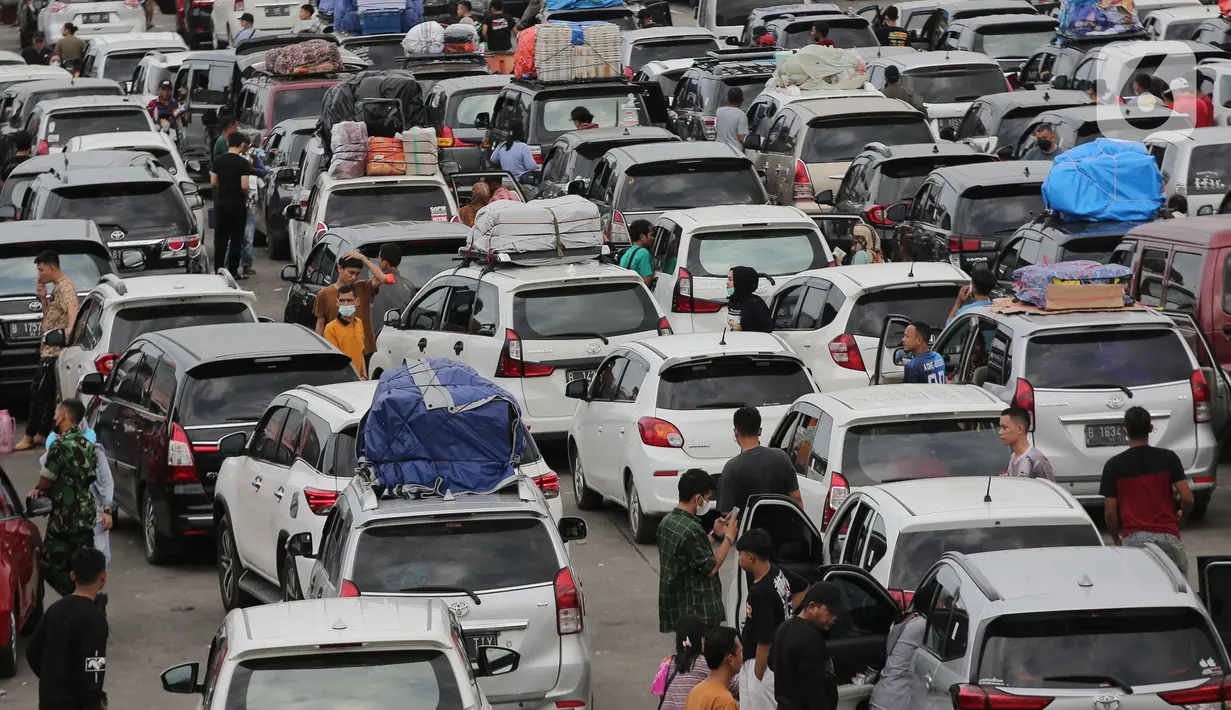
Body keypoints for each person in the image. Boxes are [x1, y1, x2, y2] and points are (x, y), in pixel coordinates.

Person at [1100, 406, 1194, 576]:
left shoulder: (1114, 465)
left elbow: (1109, 513)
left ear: (1125, 431)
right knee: (1177, 591)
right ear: (1150, 429)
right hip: (1168, 537)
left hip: (1134, 541)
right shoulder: (1169, 458)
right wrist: (1183, 516)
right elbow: (1187, 498)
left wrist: (1116, 539)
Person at [28, 399, 97, 597]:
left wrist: (38, 491)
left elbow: (45, 481)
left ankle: (75, 598)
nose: (53, 417)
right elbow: (90, 477)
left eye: (56, 413)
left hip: (64, 519)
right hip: (85, 516)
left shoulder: (59, 446)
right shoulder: (88, 445)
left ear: (64, 416)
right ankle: (89, 600)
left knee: (48, 564)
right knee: (83, 567)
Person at [26, 548, 109, 710]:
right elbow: (93, 670)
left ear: (72, 576)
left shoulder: (55, 610)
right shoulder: (95, 618)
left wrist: (52, 681)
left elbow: (33, 651)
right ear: (103, 577)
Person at [658, 469, 737, 633]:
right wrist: (729, 538)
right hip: (698, 609)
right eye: (707, 498)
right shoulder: (691, 529)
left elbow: (692, 552)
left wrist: (715, 534)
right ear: (697, 498)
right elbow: (711, 567)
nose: (708, 503)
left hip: (680, 607)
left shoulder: (667, 522)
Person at [15, 251, 78, 452]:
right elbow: (51, 316)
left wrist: (70, 329)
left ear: (52, 268)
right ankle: (42, 433)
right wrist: (43, 300)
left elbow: (72, 309)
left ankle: (29, 435)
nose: (39, 274)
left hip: (54, 352)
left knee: (38, 392)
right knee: (49, 395)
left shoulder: (65, 287)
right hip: (48, 349)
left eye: (41, 270)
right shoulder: (56, 288)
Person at [737, 529, 805, 710]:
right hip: (770, 658)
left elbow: (764, 641)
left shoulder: (760, 592)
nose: (738, 559)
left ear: (750, 557)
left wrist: (758, 676)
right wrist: (787, 614)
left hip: (762, 663)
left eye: (740, 555)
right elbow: (804, 586)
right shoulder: (775, 571)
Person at [41, 426, 114, 573]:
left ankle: (91, 589)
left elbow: (106, 481)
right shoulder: (52, 458)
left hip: (93, 515)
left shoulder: (95, 454)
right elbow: (47, 485)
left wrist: (107, 509)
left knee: (99, 556)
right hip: (67, 520)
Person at [769, 582, 844, 710]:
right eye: (830, 612)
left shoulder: (782, 629)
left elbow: (771, 663)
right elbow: (813, 687)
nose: (834, 617)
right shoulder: (810, 638)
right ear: (811, 607)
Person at [718, 406, 802, 516]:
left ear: (736, 432)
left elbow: (726, 512)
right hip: (783, 529)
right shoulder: (781, 457)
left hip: (748, 531)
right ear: (760, 431)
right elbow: (796, 498)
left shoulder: (732, 467)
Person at [313, 251, 385, 360]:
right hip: (338, 350)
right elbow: (320, 322)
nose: (353, 277)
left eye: (357, 274)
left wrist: (363, 258)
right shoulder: (324, 294)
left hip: (365, 350)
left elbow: (382, 278)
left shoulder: (363, 287)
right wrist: (320, 348)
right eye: (350, 272)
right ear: (340, 268)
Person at [867, 588, 928, 710]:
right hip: (896, 699)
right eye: (941, 601)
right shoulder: (922, 625)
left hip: (881, 695)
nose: (943, 606)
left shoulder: (906, 620)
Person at [658, 615, 733, 710]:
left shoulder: (667, 662)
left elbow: (660, 693)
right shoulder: (704, 663)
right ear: (700, 639)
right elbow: (734, 684)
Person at [211, 131, 253, 279]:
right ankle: (233, 272)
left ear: (228, 144)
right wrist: (247, 194)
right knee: (236, 239)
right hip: (237, 205)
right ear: (242, 145)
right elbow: (244, 185)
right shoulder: (243, 163)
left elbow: (213, 182)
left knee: (220, 238)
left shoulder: (218, 160)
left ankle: (218, 270)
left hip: (221, 204)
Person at [684, 627, 742, 710]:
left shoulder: (694, 692)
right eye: (741, 652)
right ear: (731, 659)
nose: (743, 657)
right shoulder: (725, 702)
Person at [370, 243, 415, 339]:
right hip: (401, 338)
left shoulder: (372, 285)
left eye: (379, 260)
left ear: (385, 263)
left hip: (375, 340)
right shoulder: (408, 286)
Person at [998, 406, 1055, 480]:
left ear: (1019, 429)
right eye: (1000, 427)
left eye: (1005, 427)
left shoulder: (1037, 460)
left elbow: (1049, 490)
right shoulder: (1012, 458)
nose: (1000, 432)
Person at [324, 284, 368, 379]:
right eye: (342, 300)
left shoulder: (359, 323)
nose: (345, 304)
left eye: (349, 300)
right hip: (343, 379)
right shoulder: (331, 328)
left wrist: (364, 375)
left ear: (357, 302)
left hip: (360, 379)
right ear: (337, 303)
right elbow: (335, 360)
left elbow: (361, 352)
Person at [726, 266, 773, 333]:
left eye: (730, 280)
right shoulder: (732, 301)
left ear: (740, 281)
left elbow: (767, 330)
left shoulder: (756, 304)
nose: (727, 283)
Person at [620, 219, 655, 287]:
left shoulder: (626, 254)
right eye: (651, 235)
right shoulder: (644, 253)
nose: (653, 238)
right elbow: (647, 279)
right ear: (642, 236)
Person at [483, 0, 514, 73]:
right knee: (508, 70)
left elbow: (484, 32)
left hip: (493, 49)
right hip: (506, 49)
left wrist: (488, 40)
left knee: (494, 70)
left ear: (492, 8)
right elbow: (516, 32)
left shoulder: (488, 19)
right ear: (502, 8)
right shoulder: (509, 18)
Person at [715, 87, 748, 153]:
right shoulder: (741, 115)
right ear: (741, 101)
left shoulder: (718, 111)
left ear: (727, 98)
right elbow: (741, 137)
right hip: (735, 152)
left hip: (719, 149)